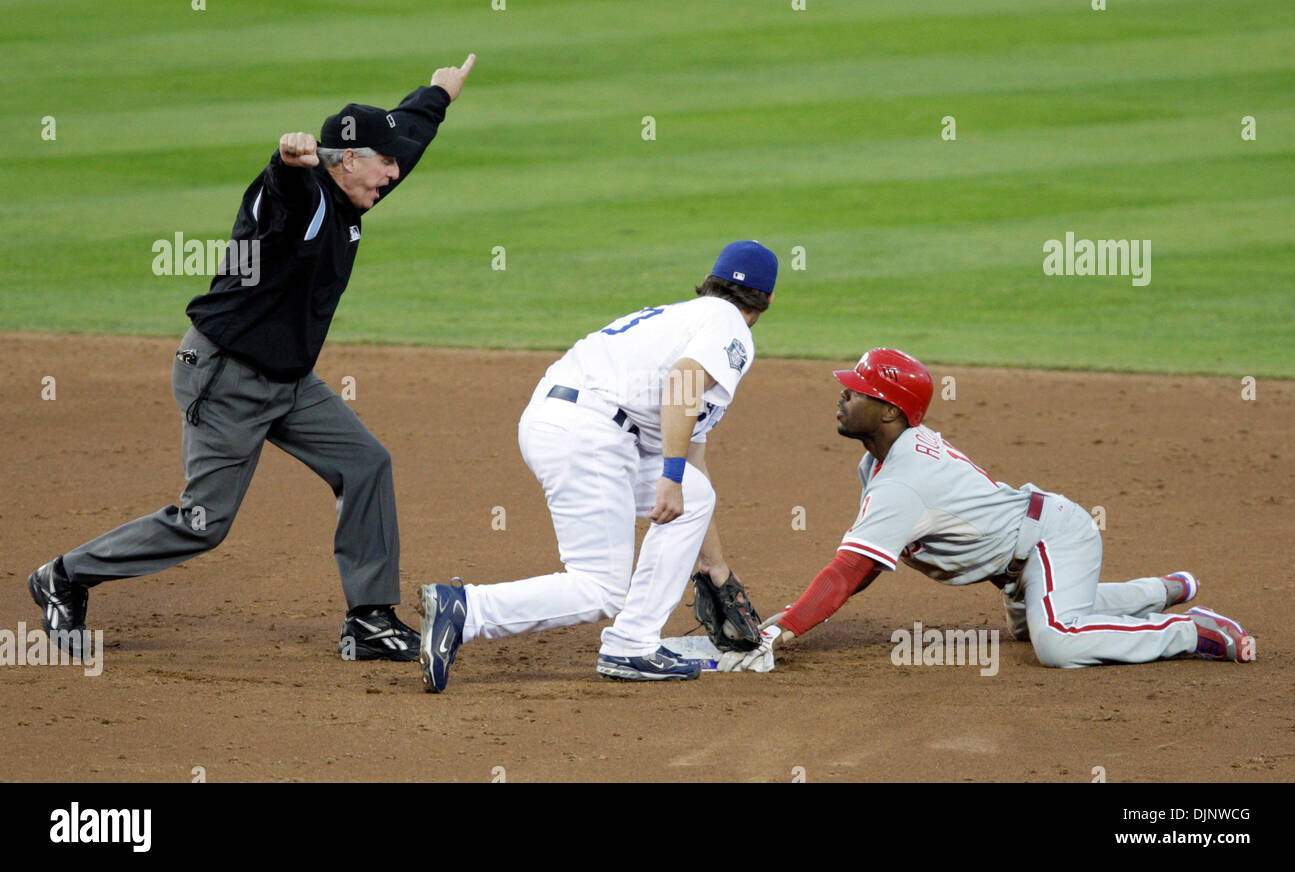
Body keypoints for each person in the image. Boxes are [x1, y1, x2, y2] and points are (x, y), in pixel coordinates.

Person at [28, 55, 477, 662]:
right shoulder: (303, 199)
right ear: (345, 160)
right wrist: (286, 162)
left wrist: (437, 96)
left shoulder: (359, 176)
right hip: (226, 377)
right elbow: (286, 193)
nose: (395, 174)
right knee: (203, 523)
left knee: (366, 463)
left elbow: (405, 134)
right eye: (384, 163)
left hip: (289, 381)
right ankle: (65, 575)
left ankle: (369, 618)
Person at [719, 348, 1257, 672]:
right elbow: (863, 567)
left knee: (1059, 645)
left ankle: (1191, 631)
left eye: (857, 391)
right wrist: (789, 622)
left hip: (1052, 540)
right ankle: (1161, 590)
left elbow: (851, 569)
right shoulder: (884, 459)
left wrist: (783, 628)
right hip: (1028, 557)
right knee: (1042, 623)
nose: (842, 396)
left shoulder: (904, 478)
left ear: (888, 410)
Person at [417, 241, 778, 691]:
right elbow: (683, 382)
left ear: (710, 280)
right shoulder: (728, 325)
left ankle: (634, 640)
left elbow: (693, 461)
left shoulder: (683, 318)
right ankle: (468, 609)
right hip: (589, 433)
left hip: (570, 423)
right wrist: (669, 474)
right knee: (601, 586)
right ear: (768, 299)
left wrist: (716, 567)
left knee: (697, 494)